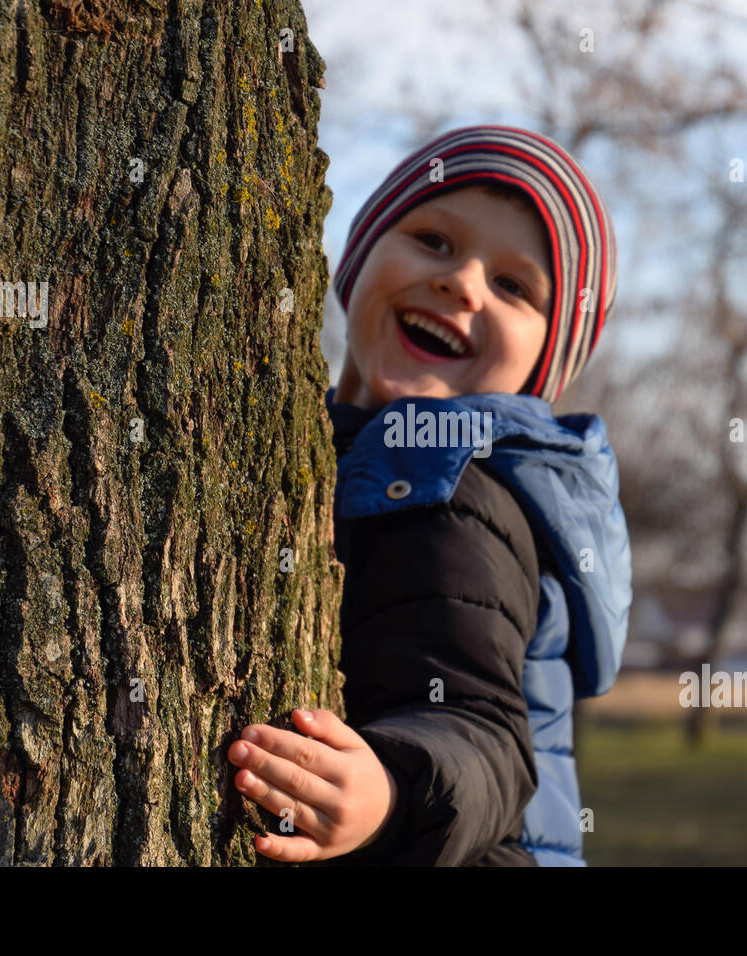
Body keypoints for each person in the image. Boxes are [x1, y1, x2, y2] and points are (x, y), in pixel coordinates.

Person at [225, 125, 631, 865]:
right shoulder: (327, 447)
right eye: (434, 241)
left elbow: (488, 734)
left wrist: (391, 788)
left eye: (513, 286)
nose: (463, 281)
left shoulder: (455, 490)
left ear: (543, 364)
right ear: (360, 258)